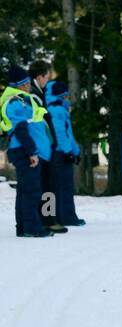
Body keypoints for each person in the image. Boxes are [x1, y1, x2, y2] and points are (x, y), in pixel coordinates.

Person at [2, 64, 54, 237]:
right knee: (32, 191)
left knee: (25, 190)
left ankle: (23, 227)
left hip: (24, 149)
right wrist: (32, 152)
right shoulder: (15, 102)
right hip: (24, 150)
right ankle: (32, 228)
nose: (28, 85)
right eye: (25, 83)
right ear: (18, 85)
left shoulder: (21, 100)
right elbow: (21, 129)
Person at [43, 79, 85, 227]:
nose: (68, 99)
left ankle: (67, 216)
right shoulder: (56, 110)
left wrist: (76, 151)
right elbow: (60, 133)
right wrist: (68, 151)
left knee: (65, 186)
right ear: (60, 96)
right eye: (65, 96)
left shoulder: (60, 109)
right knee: (62, 187)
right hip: (59, 154)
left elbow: (69, 134)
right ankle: (65, 217)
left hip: (63, 152)